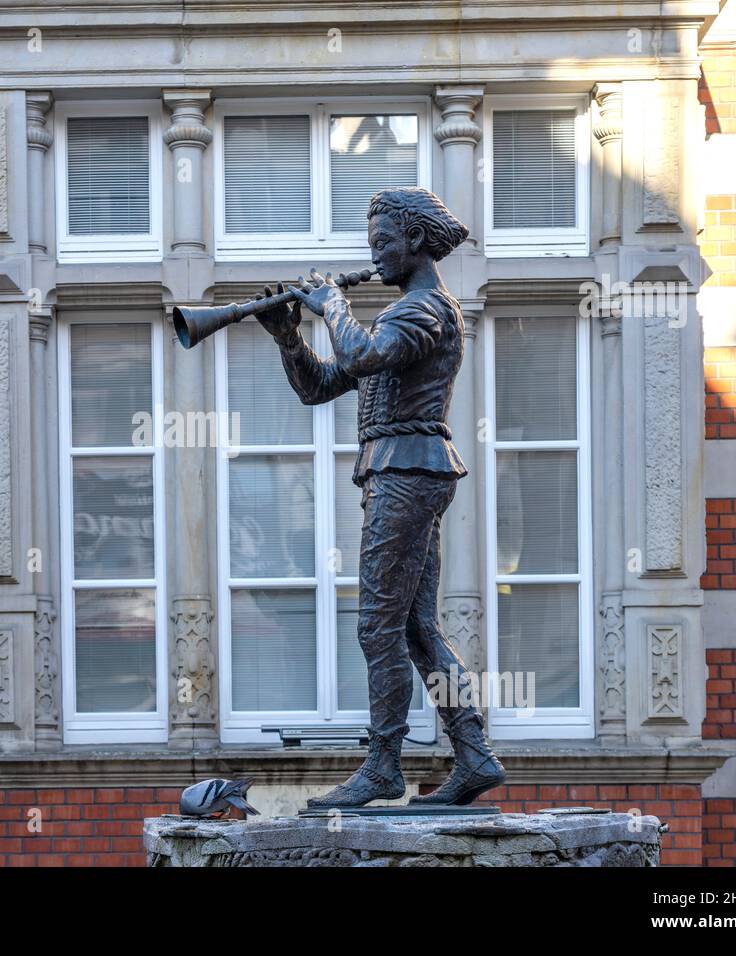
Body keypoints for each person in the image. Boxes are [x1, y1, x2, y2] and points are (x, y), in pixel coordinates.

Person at [252, 187, 506, 808]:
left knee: (376, 625)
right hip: (401, 472)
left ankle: (383, 765)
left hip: (407, 473)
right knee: (417, 626)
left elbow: (361, 353)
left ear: (416, 240)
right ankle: (473, 755)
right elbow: (321, 386)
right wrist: (289, 338)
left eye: (383, 242)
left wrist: (331, 304)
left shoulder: (424, 312)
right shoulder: (398, 319)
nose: (375, 255)